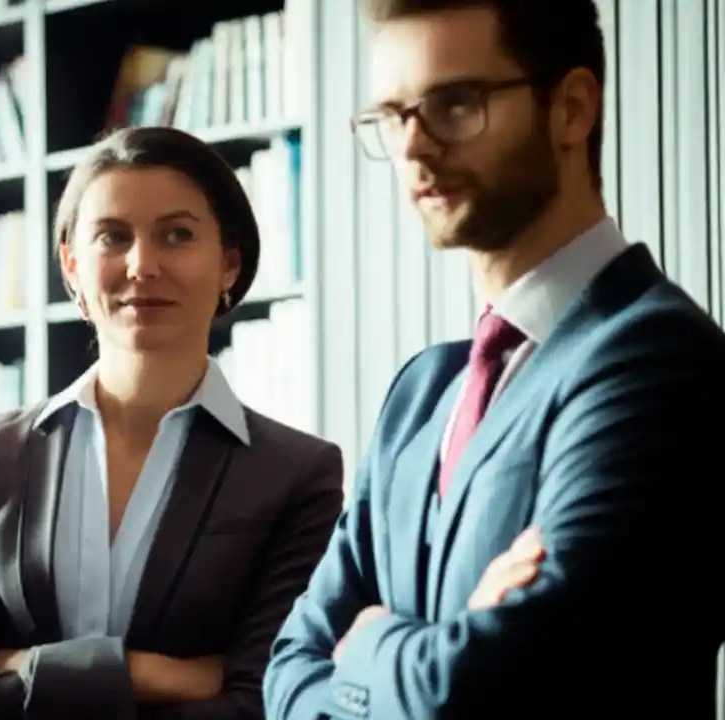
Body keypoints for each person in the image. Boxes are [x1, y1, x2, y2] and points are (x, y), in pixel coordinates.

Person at [263, 1, 725, 718]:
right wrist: (442, 647)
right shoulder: (421, 394)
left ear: (571, 109)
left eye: (455, 104)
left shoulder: (658, 357)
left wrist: (370, 643)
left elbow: (489, 692)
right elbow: (286, 675)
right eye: (393, 115)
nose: (413, 148)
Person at [0, 126, 344, 719]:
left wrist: (18, 664)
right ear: (73, 267)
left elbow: (264, 704)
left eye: (177, 235)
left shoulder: (297, 474)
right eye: (113, 236)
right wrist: (153, 675)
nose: (142, 265)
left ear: (228, 264)